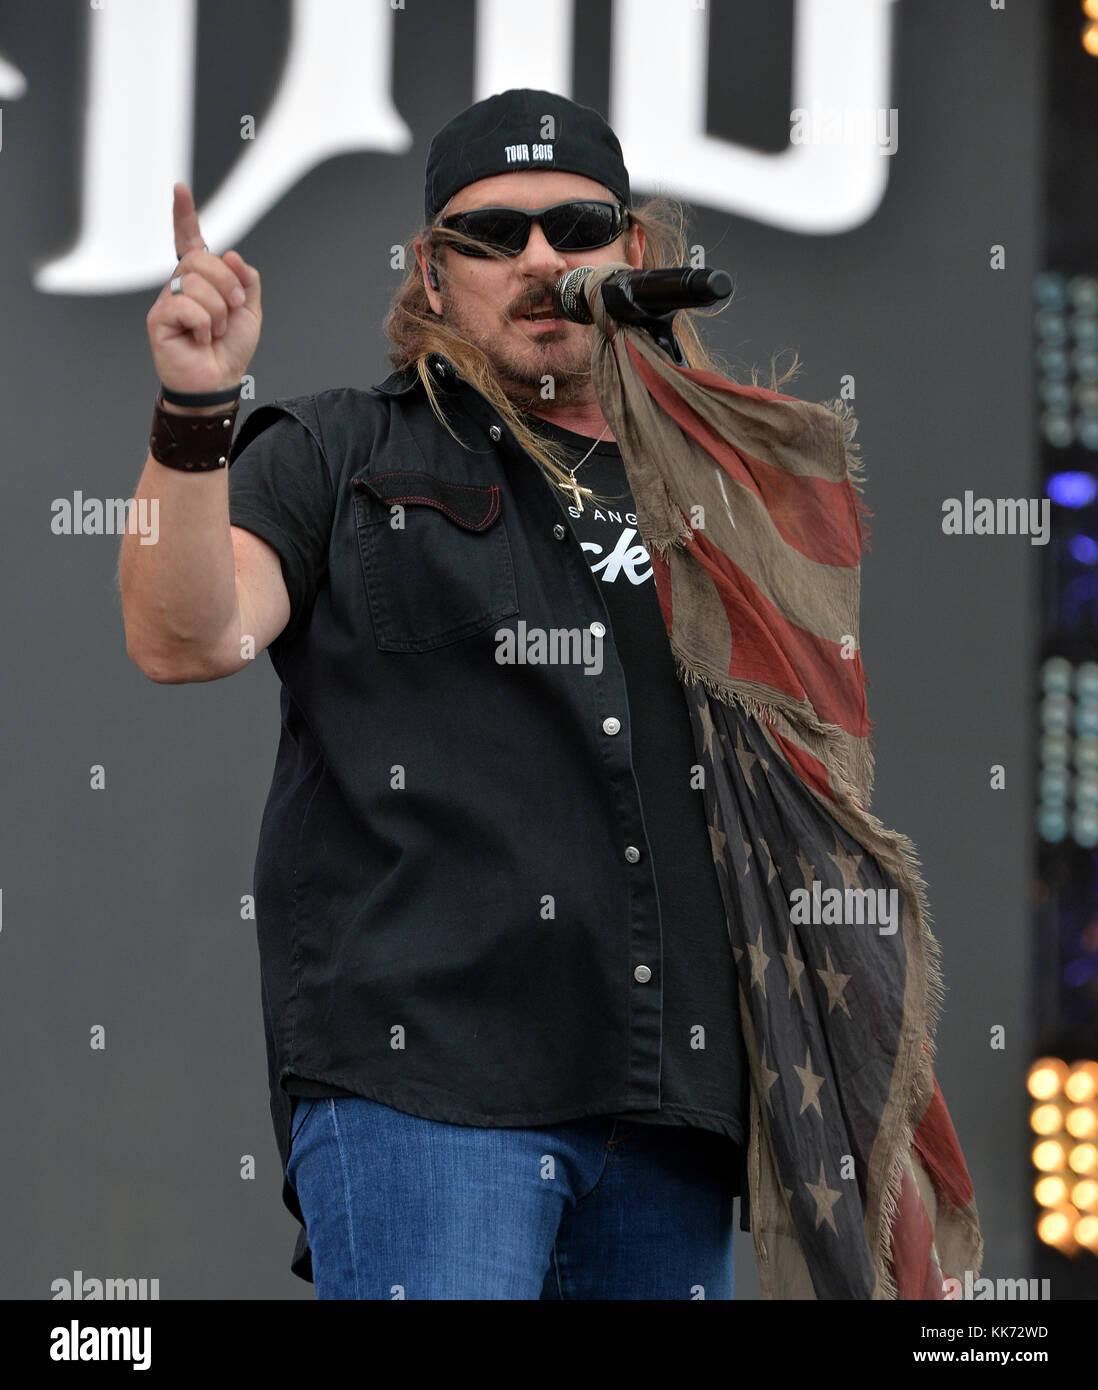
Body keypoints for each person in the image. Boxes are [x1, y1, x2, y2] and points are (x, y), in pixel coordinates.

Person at [120, 88, 760, 1300]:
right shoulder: (337, 450)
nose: (538, 260)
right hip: (431, 1090)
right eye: (491, 236)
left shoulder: (719, 491)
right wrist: (198, 407)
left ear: (635, 251)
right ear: (431, 269)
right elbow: (184, 635)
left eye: (574, 227)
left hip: (673, 1103)